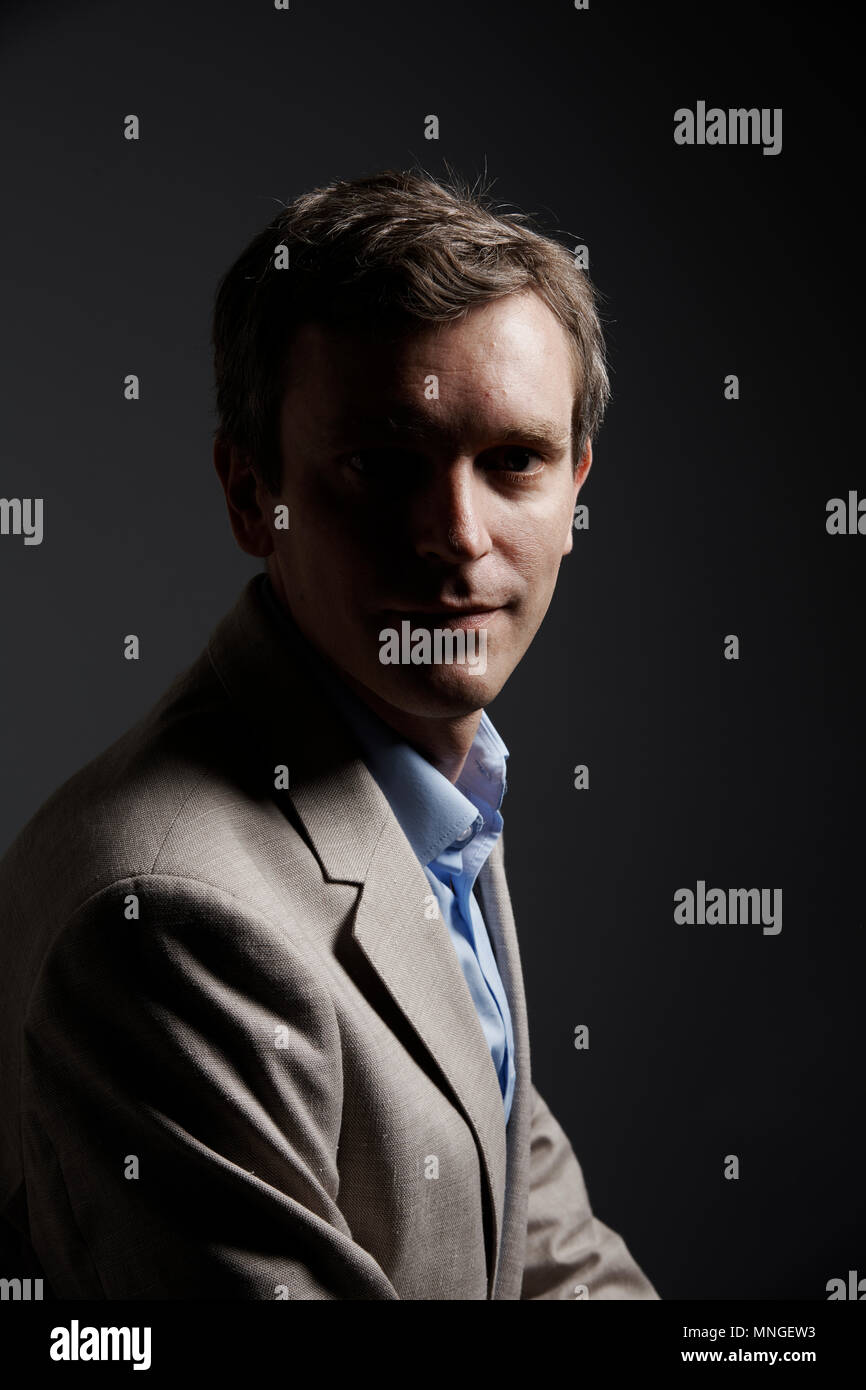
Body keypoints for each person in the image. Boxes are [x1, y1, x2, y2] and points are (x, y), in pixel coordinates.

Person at [0, 169, 659, 1299]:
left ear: (574, 487)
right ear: (252, 493)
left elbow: (548, 1261)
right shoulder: (170, 920)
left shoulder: (430, 791)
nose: (457, 536)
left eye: (512, 461)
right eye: (382, 466)